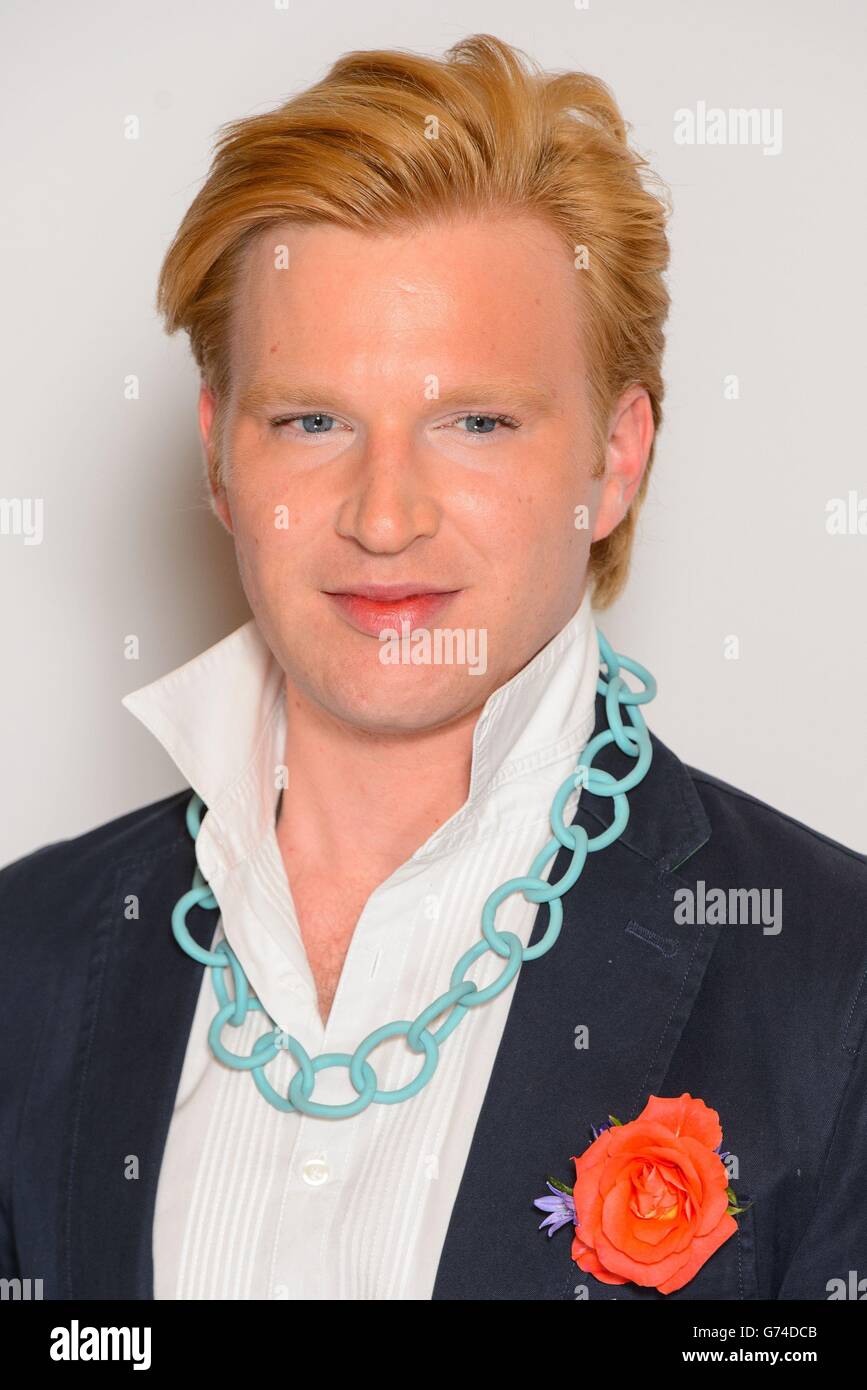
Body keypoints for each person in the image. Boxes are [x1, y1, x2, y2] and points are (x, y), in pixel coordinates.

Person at [1, 32, 865, 1303]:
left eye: (476, 421)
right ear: (220, 456)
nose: (385, 515)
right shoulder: (24, 955)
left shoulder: (835, 985)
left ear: (615, 460)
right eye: (311, 419)